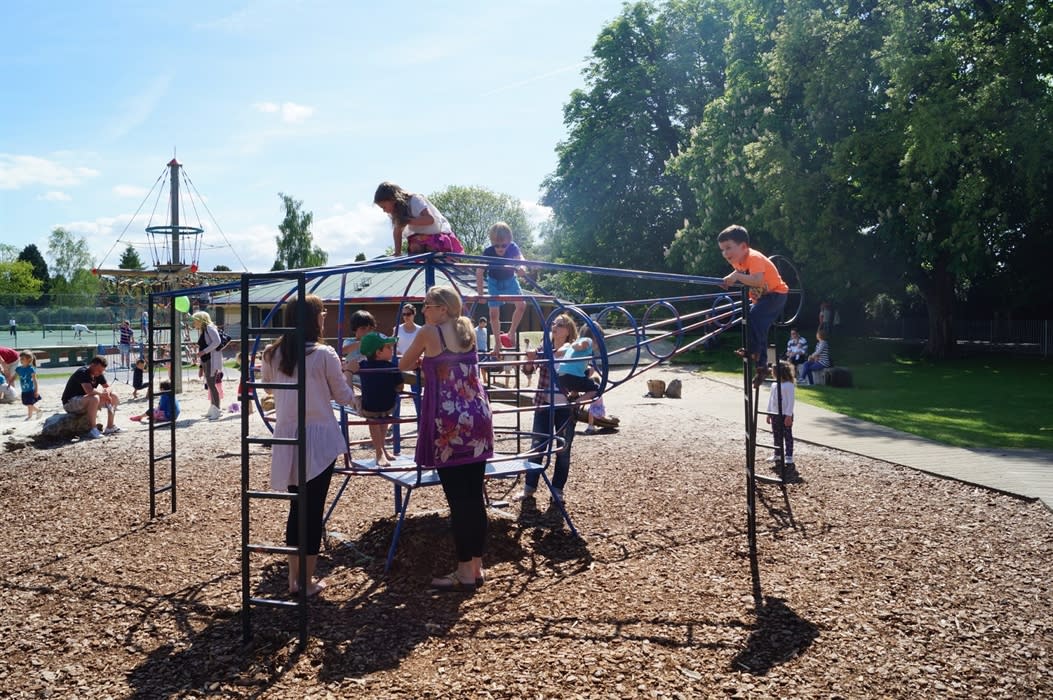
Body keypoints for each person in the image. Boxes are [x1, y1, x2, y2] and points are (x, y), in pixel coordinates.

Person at [399, 285, 494, 592]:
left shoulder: (430, 332)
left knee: (459, 500)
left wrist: (423, 362)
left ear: (442, 308)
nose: (423, 310)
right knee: (474, 496)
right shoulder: (466, 328)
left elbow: (402, 364)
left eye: (427, 305)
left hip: (449, 420)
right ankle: (476, 566)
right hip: (478, 415)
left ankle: (464, 571)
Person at [263, 294, 357, 598]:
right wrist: (351, 371)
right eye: (322, 313)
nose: (325, 318)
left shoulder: (273, 353)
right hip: (319, 439)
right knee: (313, 511)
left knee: (296, 508)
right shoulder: (323, 354)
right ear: (312, 318)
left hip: (288, 438)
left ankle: (294, 579)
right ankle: (306, 581)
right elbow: (343, 396)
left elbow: (268, 389)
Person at [517, 312, 579, 505]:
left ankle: (557, 489)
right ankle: (530, 487)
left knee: (563, 449)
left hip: (565, 406)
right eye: (553, 323)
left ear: (568, 330)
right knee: (538, 446)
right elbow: (528, 370)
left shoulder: (575, 349)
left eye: (560, 324)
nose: (555, 327)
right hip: (544, 404)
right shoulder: (545, 346)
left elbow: (585, 372)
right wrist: (529, 360)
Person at [718, 224, 789, 386]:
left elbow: (757, 280)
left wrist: (735, 276)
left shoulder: (754, 257)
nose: (725, 253)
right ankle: (756, 358)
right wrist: (729, 278)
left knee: (755, 318)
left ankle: (759, 359)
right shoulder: (738, 261)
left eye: (728, 248)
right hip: (762, 297)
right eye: (722, 250)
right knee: (749, 319)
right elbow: (742, 275)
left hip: (776, 294)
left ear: (744, 247)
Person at [373, 182, 464, 256]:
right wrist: (397, 253)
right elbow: (397, 232)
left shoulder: (414, 200)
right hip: (419, 241)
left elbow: (429, 219)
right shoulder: (396, 211)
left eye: (384, 207)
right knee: (414, 246)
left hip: (437, 236)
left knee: (422, 246)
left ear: (392, 199)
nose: (384, 211)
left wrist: (408, 221)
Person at [475, 222, 527, 353]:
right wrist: (480, 293)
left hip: (510, 280)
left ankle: (511, 332)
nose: (500, 248)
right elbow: (479, 272)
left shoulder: (513, 247)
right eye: (496, 245)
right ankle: (498, 343)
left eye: (503, 245)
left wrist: (522, 267)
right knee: (493, 314)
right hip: (494, 282)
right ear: (492, 242)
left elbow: (521, 259)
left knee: (522, 305)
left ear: (509, 241)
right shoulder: (488, 251)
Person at [356, 331, 404, 467]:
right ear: (378, 352)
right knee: (379, 423)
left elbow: (353, 368)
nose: (392, 350)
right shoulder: (392, 367)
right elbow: (400, 385)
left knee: (380, 423)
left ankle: (381, 449)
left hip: (374, 404)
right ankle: (379, 451)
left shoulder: (363, 365)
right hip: (382, 404)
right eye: (388, 347)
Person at [61, 355, 120, 438]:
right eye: (99, 370)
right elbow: (89, 391)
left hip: (85, 401)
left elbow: (108, 387)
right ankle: (93, 429)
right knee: (95, 398)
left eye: (102, 371)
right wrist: (102, 394)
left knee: (114, 395)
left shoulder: (98, 374)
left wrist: (107, 392)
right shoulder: (82, 372)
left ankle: (110, 427)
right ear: (92, 365)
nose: (100, 373)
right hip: (70, 403)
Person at [191, 311, 224, 421]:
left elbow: (217, 342)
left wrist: (204, 352)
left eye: (195, 320)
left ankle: (217, 409)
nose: (194, 322)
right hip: (206, 360)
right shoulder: (204, 329)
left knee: (212, 384)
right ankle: (213, 408)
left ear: (201, 319)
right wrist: (201, 365)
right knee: (210, 384)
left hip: (211, 360)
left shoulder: (210, 327)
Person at [766, 361, 797, 474]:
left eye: (773, 371)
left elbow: (791, 401)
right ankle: (777, 454)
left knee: (787, 435)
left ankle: (789, 456)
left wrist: (788, 416)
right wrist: (769, 413)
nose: (771, 373)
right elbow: (771, 400)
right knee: (776, 434)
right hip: (775, 414)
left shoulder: (788, 385)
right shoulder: (774, 384)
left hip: (785, 414)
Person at [555, 328, 599, 403]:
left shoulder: (573, 345)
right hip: (572, 377)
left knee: (587, 372)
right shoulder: (588, 340)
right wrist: (577, 345)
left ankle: (573, 395)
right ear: (596, 338)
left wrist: (569, 345)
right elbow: (580, 345)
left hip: (561, 377)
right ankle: (576, 403)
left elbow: (557, 353)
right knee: (596, 390)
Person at [341, 309, 377, 385]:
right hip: (353, 377)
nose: (367, 332)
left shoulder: (373, 342)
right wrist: (361, 343)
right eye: (363, 328)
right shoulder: (349, 342)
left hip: (368, 376)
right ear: (355, 329)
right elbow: (343, 351)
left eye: (370, 329)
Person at [15, 350, 42, 420]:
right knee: (28, 404)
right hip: (24, 390)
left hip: (30, 390)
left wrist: (36, 391)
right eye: (20, 359)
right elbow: (15, 376)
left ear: (29, 359)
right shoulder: (19, 369)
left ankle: (37, 411)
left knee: (29, 404)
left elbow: (35, 381)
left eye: (22, 359)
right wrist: (10, 381)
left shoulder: (31, 369)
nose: (21, 360)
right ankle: (31, 415)